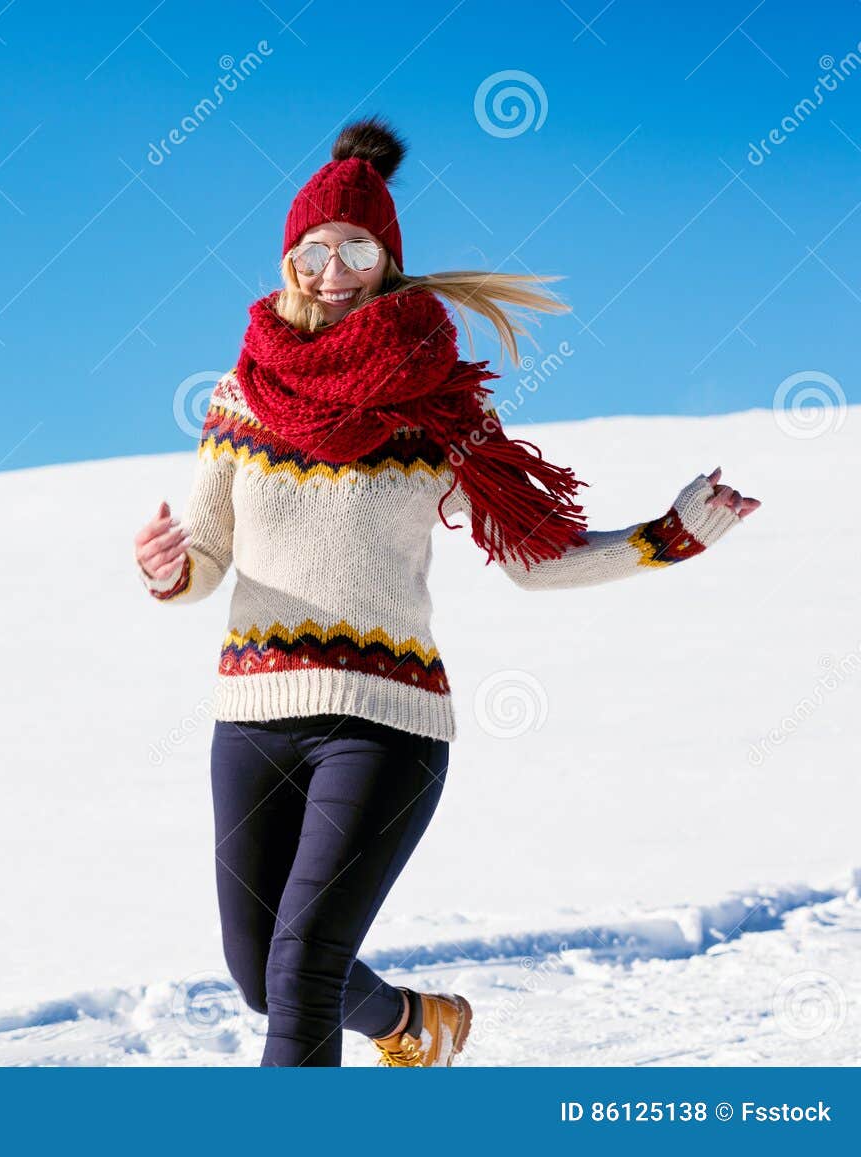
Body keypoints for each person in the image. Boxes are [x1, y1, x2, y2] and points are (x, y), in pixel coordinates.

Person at [131, 117, 759, 1068]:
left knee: (301, 972)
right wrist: (168, 569)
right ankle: (415, 1025)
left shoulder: (436, 403)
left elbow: (530, 553)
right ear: (288, 259)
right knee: (261, 975)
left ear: (388, 260)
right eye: (314, 248)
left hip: (384, 723)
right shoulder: (242, 394)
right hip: (250, 716)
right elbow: (209, 556)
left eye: (356, 247)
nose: (332, 267)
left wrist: (662, 541)